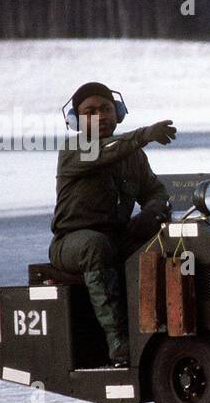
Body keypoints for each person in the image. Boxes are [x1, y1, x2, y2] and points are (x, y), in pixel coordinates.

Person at [48, 81, 176, 366]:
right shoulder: (74, 149)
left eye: (106, 109)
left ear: (117, 113)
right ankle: (119, 344)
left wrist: (152, 214)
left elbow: (156, 191)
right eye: (90, 111)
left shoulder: (132, 156)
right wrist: (144, 135)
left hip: (117, 238)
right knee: (95, 246)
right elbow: (107, 151)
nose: (101, 116)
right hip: (72, 243)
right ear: (77, 120)